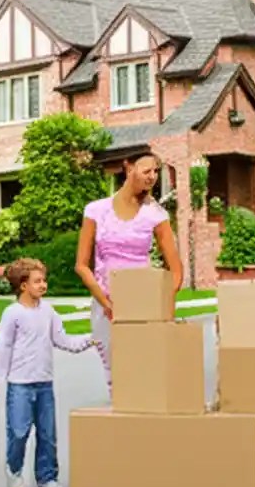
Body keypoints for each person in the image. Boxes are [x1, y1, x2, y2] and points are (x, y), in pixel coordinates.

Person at [74, 151, 183, 393]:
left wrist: (164, 306)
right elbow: (81, 265)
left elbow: (175, 270)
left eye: (156, 171)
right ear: (128, 168)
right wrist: (105, 302)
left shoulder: (155, 215)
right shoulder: (96, 210)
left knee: (143, 374)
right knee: (116, 375)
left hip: (142, 303)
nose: (152, 177)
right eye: (147, 171)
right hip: (106, 301)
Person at [0, 258, 94, 487]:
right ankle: (14, 469)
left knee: (47, 434)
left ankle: (48, 477)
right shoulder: (12, 313)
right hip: (20, 385)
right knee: (18, 432)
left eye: (43, 280)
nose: (43, 285)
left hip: (44, 383)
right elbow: (4, 347)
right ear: (23, 285)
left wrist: (90, 339)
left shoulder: (48, 312)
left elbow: (63, 340)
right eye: (37, 281)